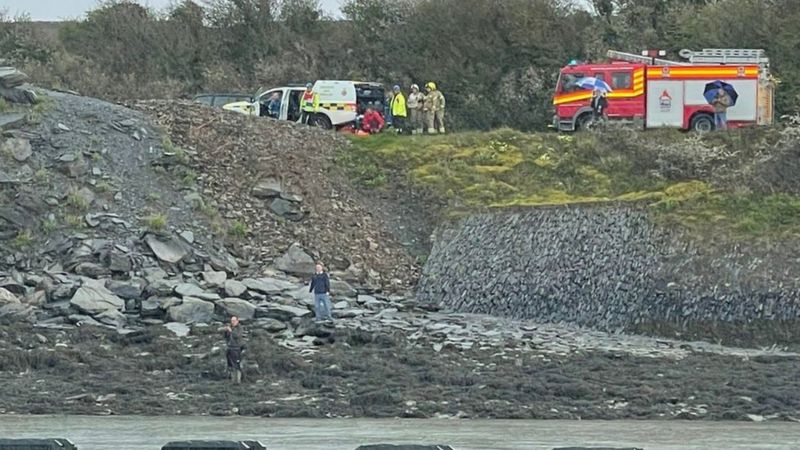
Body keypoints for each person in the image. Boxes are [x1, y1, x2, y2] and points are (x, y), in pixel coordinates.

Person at [224, 315, 245, 384]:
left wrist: (231, 331)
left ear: (237, 321)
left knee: (236, 364)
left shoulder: (239, 328)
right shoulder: (231, 327)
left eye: (234, 321)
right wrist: (226, 331)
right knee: (230, 364)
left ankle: (237, 380)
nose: (232, 322)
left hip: (236, 348)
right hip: (230, 347)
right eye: (231, 321)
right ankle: (232, 379)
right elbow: (226, 337)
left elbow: (237, 335)